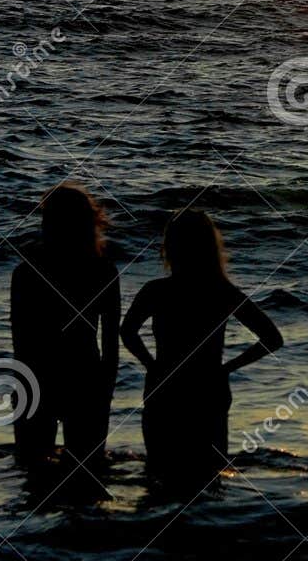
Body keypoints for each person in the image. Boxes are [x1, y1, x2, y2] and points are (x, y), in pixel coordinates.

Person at [120, 209, 282, 493]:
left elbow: (127, 331)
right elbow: (272, 338)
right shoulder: (222, 291)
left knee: (159, 478)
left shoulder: (157, 291)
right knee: (209, 480)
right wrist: (226, 369)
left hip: (166, 387)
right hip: (208, 389)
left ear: (170, 248)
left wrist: (150, 364)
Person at [10, 184, 120, 490]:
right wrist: (105, 391)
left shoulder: (26, 273)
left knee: (34, 477)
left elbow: (21, 343)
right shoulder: (103, 271)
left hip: (38, 378)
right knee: (89, 477)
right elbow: (111, 345)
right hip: (86, 379)